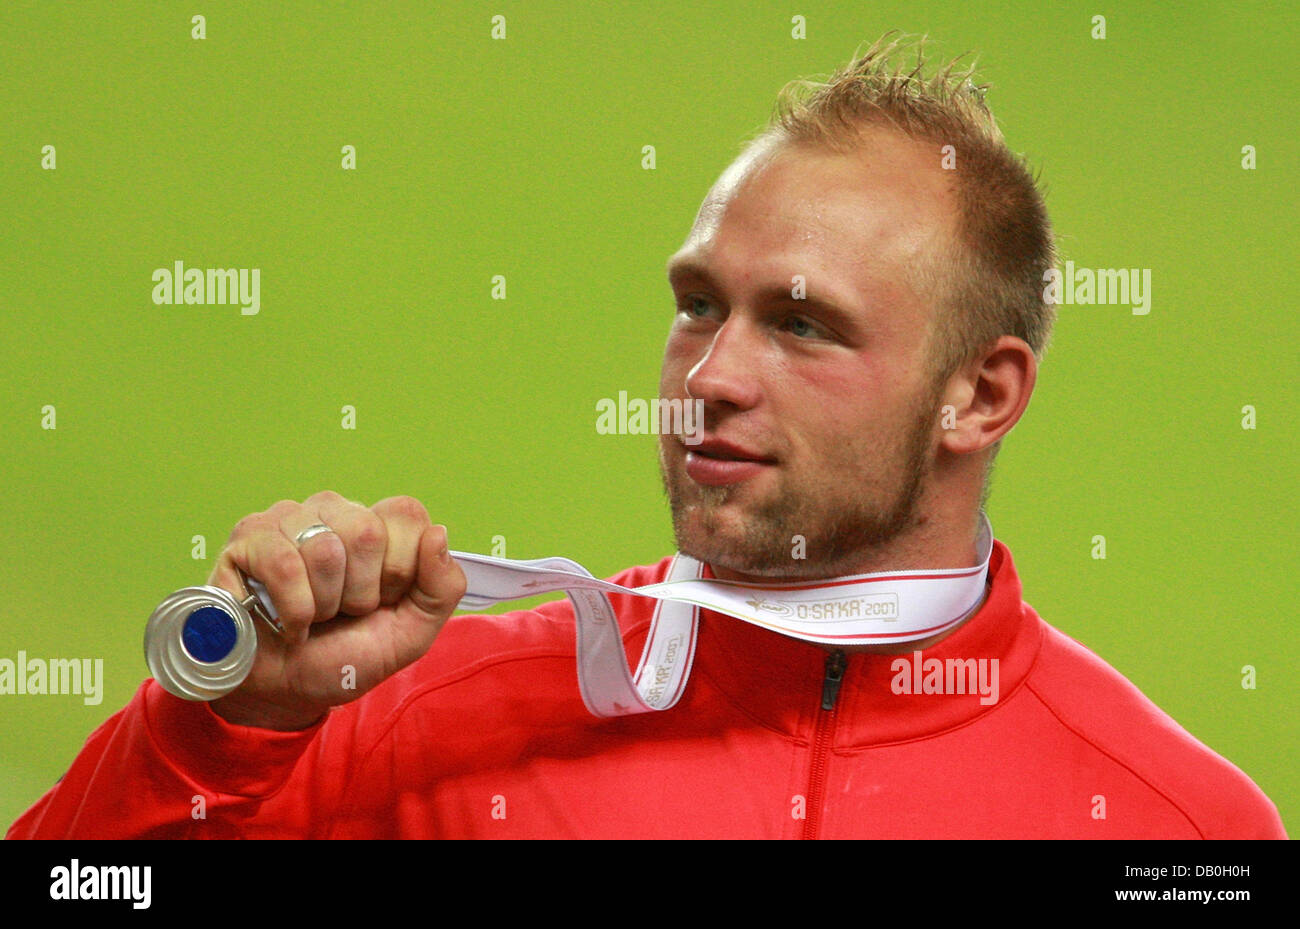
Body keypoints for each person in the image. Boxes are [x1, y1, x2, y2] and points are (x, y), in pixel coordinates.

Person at [8, 34, 1285, 839]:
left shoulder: (1177, 827)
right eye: (696, 307)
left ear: (980, 396)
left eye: (801, 325)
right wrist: (219, 734)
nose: (709, 375)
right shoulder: (424, 724)